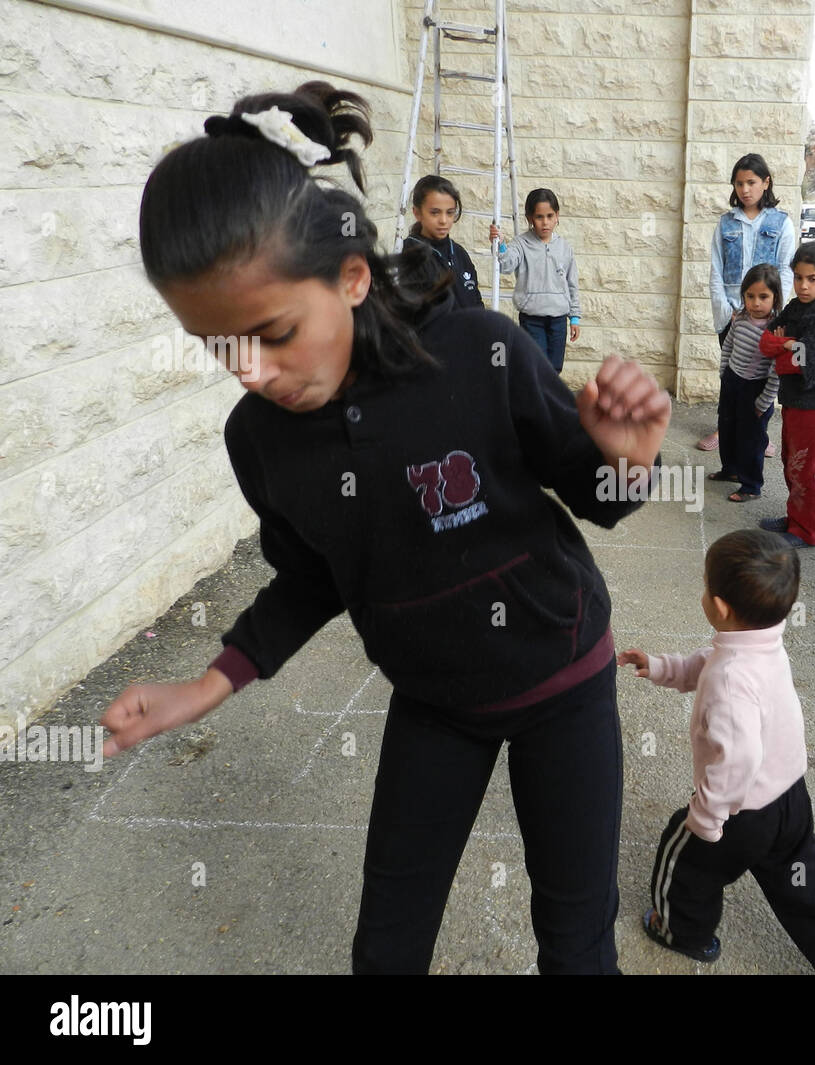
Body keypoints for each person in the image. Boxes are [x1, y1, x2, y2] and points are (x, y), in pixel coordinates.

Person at [101, 82, 671, 973]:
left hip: (565, 678)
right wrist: (210, 683)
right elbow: (314, 574)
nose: (251, 372)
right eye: (220, 348)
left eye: (273, 332)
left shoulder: (483, 351)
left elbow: (599, 496)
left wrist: (627, 457)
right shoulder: (259, 441)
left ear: (352, 278)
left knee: (576, 940)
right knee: (387, 947)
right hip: (435, 704)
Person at [618, 530, 815, 974]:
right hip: (790, 799)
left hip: (745, 813)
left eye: (706, 587)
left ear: (719, 607)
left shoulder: (729, 680)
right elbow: (704, 662)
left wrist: (706, 817)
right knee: (805, 887)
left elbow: (737, 758)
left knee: (684, 859)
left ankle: (682, 932)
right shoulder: (761, 641)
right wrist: (661, 667)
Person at [698, 153, 796, 455]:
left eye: (752, 182)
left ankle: (759, 435)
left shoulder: (781, 223)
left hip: (765, 317)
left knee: (761, 377)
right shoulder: (726, 223)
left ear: (765, 183)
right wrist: (726, 310)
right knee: (732, 376)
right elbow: (716, 268)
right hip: (732, 313)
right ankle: (724, 428)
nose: (745, 189)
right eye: (739, 183)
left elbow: (786, 269)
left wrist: (775, 313)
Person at [756, 244, 815, 548]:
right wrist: (788, 345)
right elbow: (767, 340)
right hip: (793, 400)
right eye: (798, 277)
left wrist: (785, 346)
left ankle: (806, 531)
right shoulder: (797, 306)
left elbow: (808, 362)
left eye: (813, 278)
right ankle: (795, 518)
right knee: (789, 460)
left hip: (813, 404)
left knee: (802, 467)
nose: (803, 285)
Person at [706, 263, 781, 503]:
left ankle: (751, 485)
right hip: (732, 382)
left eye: (763, 297)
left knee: (752, 439)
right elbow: (728, 345)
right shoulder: (740, 318)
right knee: (727, 428)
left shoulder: (775, 329)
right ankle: (731, 470)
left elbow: (776, 371)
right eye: (750, 296)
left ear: (775, 297)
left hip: (756, 390)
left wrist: (764, 401)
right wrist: (723, 372)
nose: (756, 303)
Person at [490, 188, 580, 373]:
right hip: (532, 319)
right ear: (530, 218)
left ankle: (547, 401)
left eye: (549, 216)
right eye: (539, 217)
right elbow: (506, 266)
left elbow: (572, 284)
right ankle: (535, 400)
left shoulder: (564, 247)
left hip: (558, 319)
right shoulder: (520, 244)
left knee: (555, 368)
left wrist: (575, 317)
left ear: (557, 216)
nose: (545, 222)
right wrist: (500, 244)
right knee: (537, 366)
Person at [404, 174, 484, 309]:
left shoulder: (459, 253)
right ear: (417, 213)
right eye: (435, 212)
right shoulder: (409, 254)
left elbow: (476, 301)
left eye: (450, 212)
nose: (443, 220)